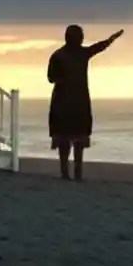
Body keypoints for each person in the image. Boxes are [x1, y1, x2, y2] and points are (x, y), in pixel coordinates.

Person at [47, 25, 123, 182]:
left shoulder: (59, 55)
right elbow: (51, 78)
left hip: (64, 101)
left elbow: (50, 78)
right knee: (74, 139)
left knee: (66, 138)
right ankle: (75, 173)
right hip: (76, 101)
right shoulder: (73, 55)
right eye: (80, 36)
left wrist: (111, 39)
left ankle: (66, 173)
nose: (81, 38)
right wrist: (111, 40)